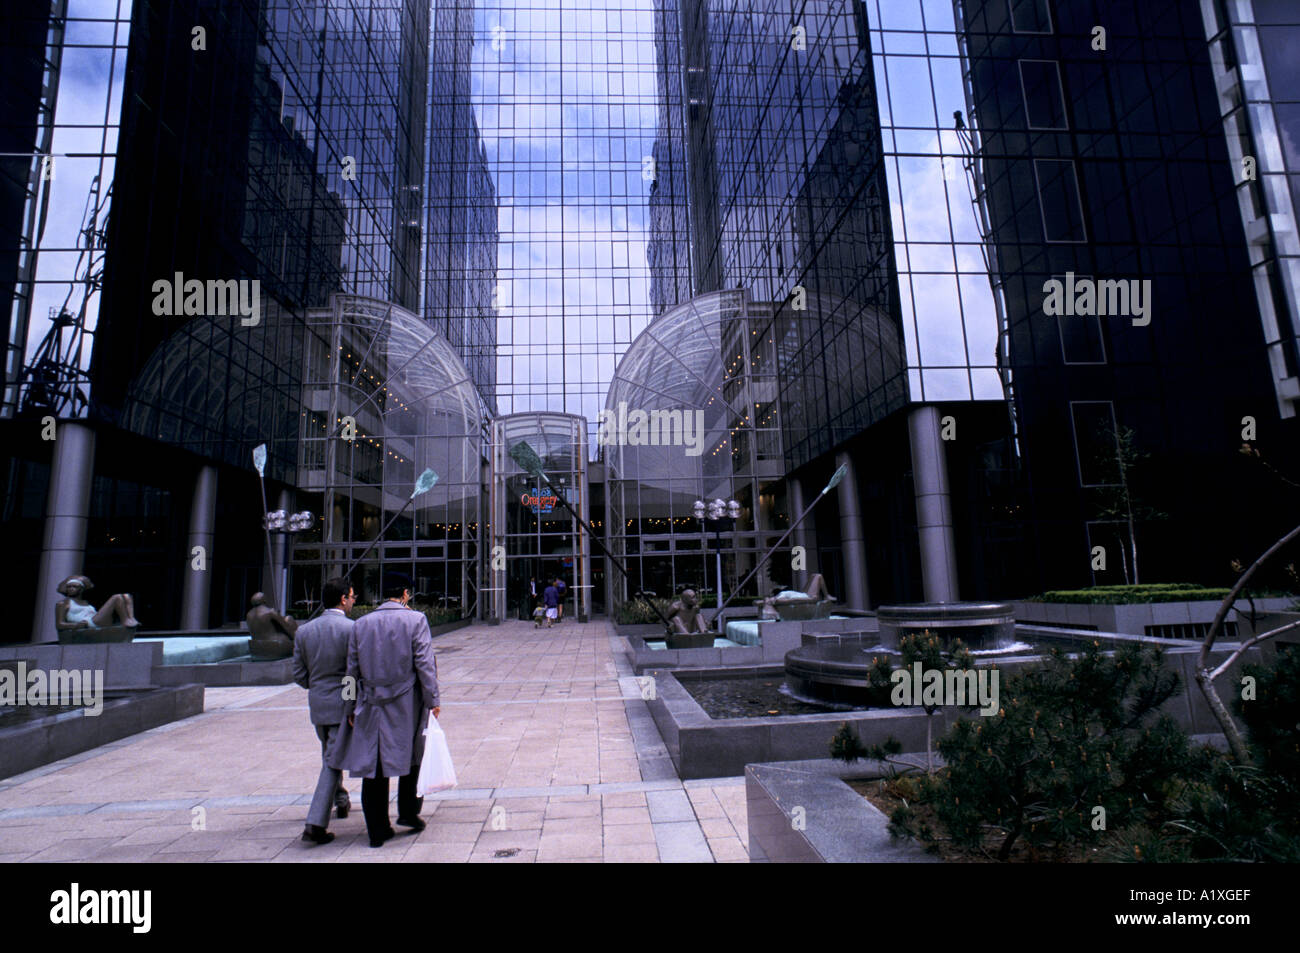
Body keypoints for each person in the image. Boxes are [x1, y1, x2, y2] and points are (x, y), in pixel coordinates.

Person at [332, 572, 439, 848]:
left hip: (370, 702)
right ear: (405, 593)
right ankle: (408, 814)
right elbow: (424, 664)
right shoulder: (416, 620)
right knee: (411, 758)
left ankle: (377, 829)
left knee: (374, 765)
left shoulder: (360, 624)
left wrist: (349, 706)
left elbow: (350, 672)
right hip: (406, 701)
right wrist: (433, 699)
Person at [291, 576, 356, 846]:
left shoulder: (304, 631)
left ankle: (341, 800)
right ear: (342, 599)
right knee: (332, 761)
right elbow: (354, 672)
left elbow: (298, 674)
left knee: (330, 753)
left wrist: (316, 687)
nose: (354, 600)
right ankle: (315, 823)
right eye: (352, 596)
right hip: (341, 706)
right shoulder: (352, 629)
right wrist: (351, 703)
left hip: (318, 705)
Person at [54, 575, 140, 632]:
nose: (71, 589)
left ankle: (131, 618)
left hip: (98, 622)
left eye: (75, 587)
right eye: (69, 587)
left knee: (126, 596)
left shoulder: (85, 602)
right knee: (116, 597)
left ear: (81, 589)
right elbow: (59, 624)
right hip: (89, 623)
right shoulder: (63, 603)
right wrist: (76, 625)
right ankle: (126, 621)